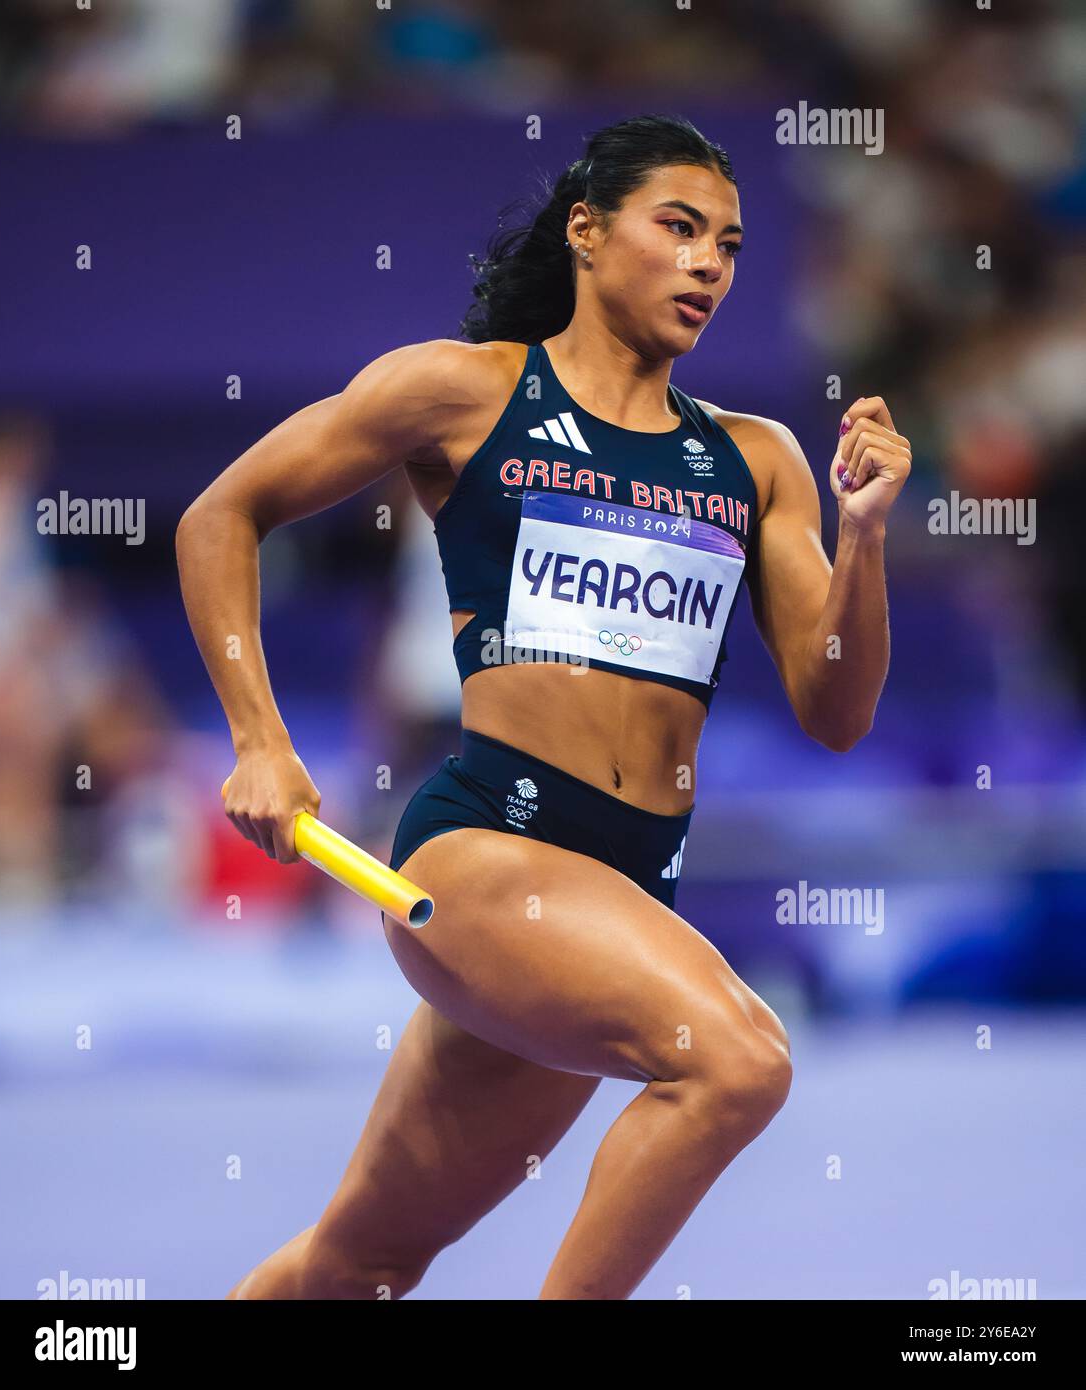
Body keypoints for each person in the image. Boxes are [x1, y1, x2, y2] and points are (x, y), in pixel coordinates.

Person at [176, 113, 911, 1300]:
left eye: (727, 243)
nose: (707, 264)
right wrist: (262, 739)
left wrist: (865, 536)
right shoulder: (461, 392)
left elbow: (836, 709)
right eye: (677, 228)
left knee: (361, 1261)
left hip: (617, 898)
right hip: (483, 857)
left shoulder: (755, 461)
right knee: (737, 1061)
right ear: (586, 229)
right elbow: (221, 516)